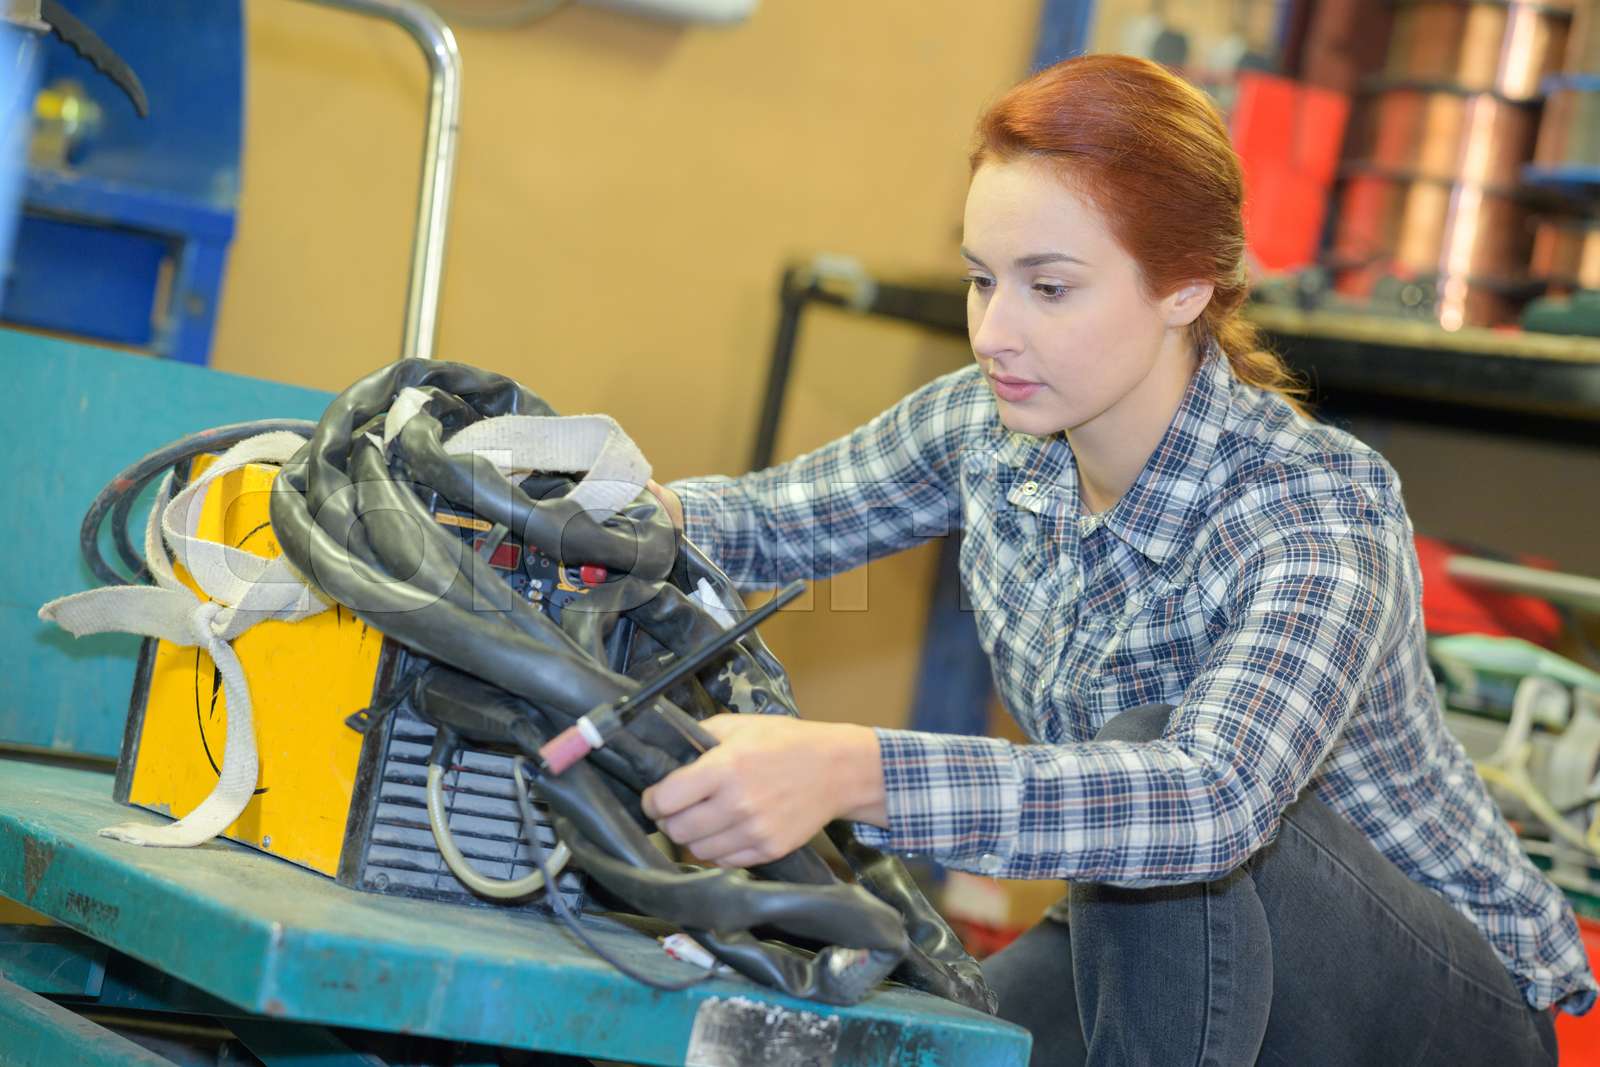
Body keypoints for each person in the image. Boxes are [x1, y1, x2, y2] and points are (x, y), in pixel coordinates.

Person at [639, 54, 1597, 1064]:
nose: (993, 332)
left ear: (1184, 287)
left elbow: (1209, 800)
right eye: (981, 280)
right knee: (936, 1048)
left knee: (1154, 752)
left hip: (1447, 1010)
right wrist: (608, 502)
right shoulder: (989, 429)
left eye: (1049, 286)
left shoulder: (1313, 503)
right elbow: (763, 524)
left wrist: (852, 768)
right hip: (1159, 914)